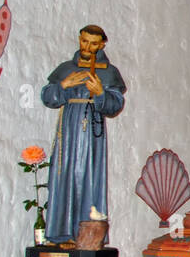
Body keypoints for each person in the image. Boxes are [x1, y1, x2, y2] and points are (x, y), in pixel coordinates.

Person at [41, 25, 126, 244]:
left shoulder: (109, 72)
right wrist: (63, 85)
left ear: (101, 45)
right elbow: (48, 97)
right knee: (64, 176)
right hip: (68, 129)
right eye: (84, 41)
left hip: (92, 132)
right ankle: (61, 233)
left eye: (93, 43)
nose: (87, 46)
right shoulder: (66, 68)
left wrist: (100, 93)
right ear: (80, 39)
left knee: (89, 177)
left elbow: (115, 104)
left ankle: (88, 236)